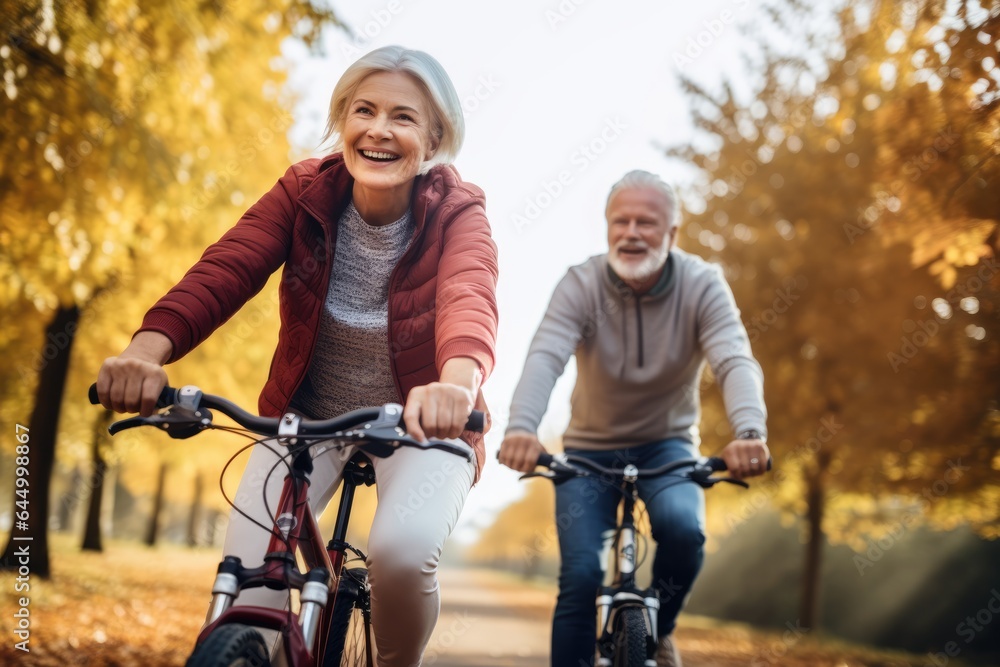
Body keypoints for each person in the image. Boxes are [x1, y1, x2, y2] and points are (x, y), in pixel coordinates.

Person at [95, 45, 498, 667]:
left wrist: (458, 385)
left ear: (435, 136)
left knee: (399, 552)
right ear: (342, 122)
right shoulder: (303, 191)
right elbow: (226, 269)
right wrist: (144, 353)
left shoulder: (457, 212)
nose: (379, 130)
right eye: (363, 110)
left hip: (422, 424)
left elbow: (470, 295)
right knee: (250, 584)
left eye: (404, 117)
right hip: (305, 420)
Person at [498, 170, 768, 667]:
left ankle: (656, 630)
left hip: (668, 447)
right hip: (588, 450)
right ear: (606, 228)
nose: (631, 232)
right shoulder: (580, 283)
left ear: (672, 233)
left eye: (646, 222)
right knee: (579, 577)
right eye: (620, 221)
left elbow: (734, 359)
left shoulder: (703, 284)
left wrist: (750, 432)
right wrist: (521, 428)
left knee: (684, 531)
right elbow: (546, 356)